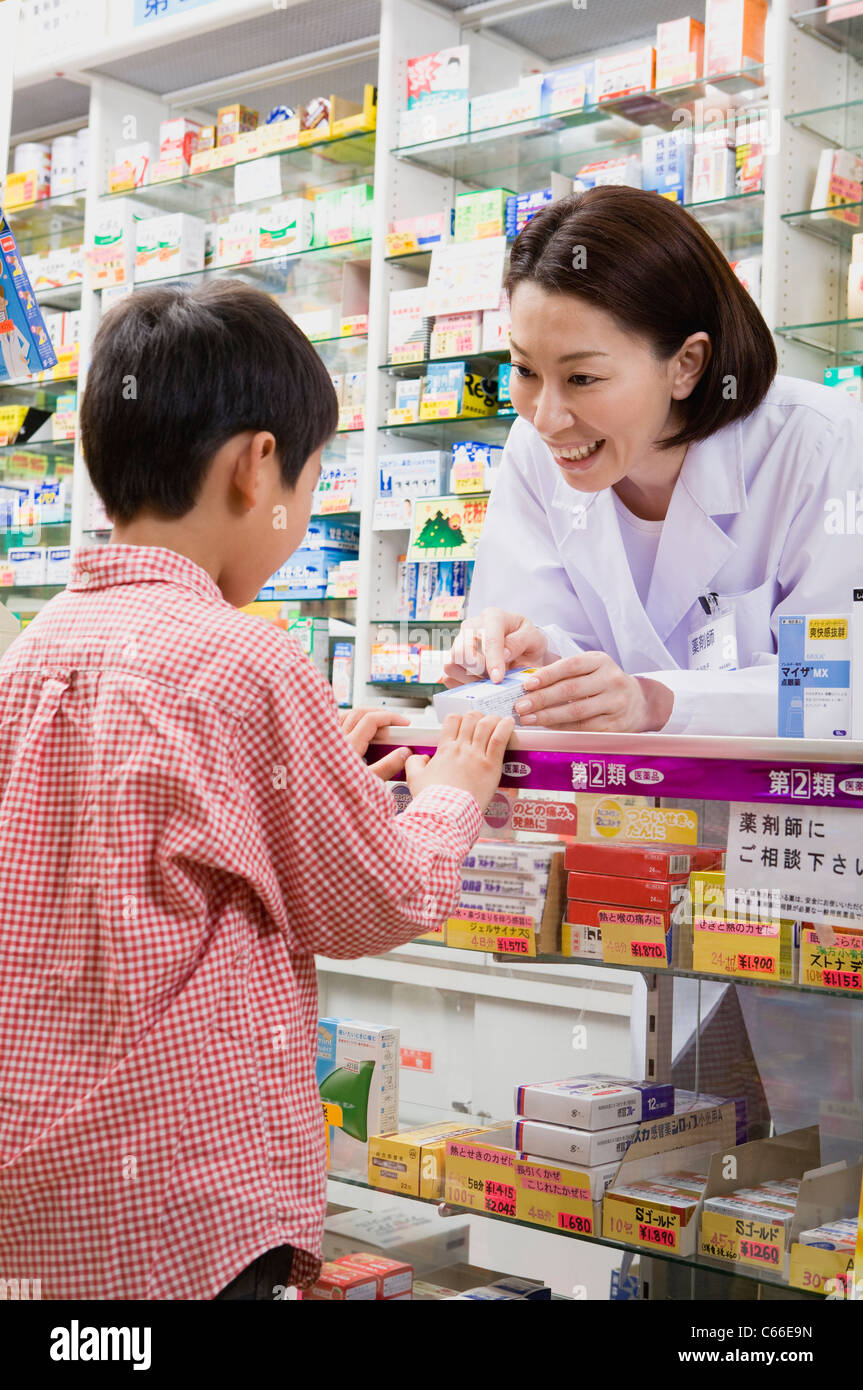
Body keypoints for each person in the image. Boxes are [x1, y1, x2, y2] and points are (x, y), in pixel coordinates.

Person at [0, 280, 514, 1301]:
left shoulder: (33, 650)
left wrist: (327, 773)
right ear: (256, 467)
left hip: (38, 1169)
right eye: (312, 482)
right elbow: (374, 898)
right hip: (183, 1193)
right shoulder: (247, 660)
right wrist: (449, 791)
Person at [445, 186, 863, 737]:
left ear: (686, 364)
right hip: (609, 811)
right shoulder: (534, 451)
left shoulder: (820, 442)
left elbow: (838, 694)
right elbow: (545, 675)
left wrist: (659, 702)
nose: (545, 418)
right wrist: (528, 653)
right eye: (525, 370)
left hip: (785, 812)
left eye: (582, 378)